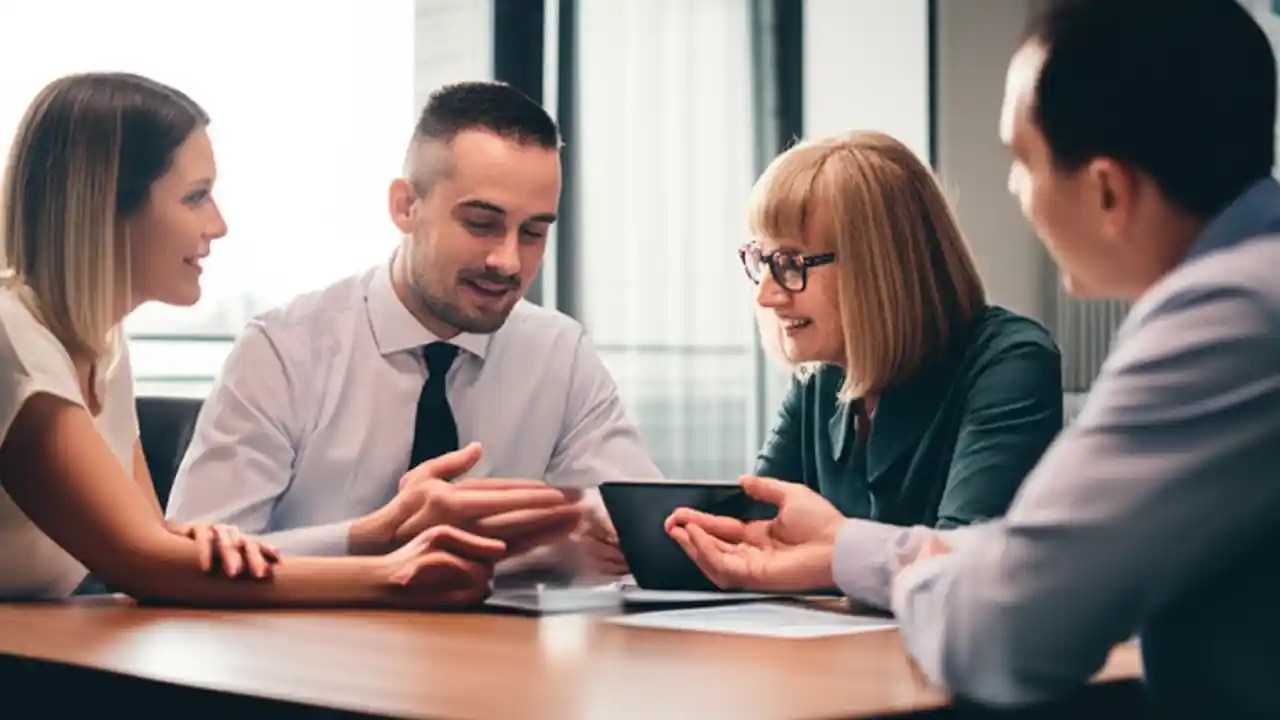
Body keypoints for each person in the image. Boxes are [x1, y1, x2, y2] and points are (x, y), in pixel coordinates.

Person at [666, 0, 1280, 714]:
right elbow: (1024, 565)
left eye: (1022, 162)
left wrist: (857, 558)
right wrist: (860, 554)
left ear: (1107, 189)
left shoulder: (1228, 317)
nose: (1015, 192)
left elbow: (1003, 624)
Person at [0, 72, 505, 607]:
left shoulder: (104, 351)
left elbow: (151, 537)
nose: (217, 224)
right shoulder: (12, 340)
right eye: (195, 197)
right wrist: (394, 575)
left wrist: (207, 544)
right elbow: (142, 563)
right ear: (106, 206)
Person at [165, 81, 656, 576]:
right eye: (481, 224)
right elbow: (194, 561)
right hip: (312, 626)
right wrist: (374, 538)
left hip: (497, 628)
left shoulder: (560, 354)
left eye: (532, 233)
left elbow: (642, 524)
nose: (508, 261)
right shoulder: (282, 351)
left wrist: (616, 539)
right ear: (405, 206)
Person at [689, 130, 1062, 558]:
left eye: (790, 263)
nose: (765, 295)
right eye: (762, 261)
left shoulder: (1011, 362)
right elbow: (754, 532)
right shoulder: (821, 373)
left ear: (879, 265)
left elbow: (959, 564)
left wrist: (826, 557)